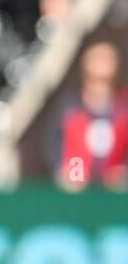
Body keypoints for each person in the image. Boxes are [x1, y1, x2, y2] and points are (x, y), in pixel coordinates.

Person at [54, 41, 128, 190]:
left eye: (108, 59)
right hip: (77, 181)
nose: (102, 64)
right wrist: (63, 168)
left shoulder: (123, 105)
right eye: (97, 58)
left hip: (115, 183)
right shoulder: (70, 105)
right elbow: (54, 141)